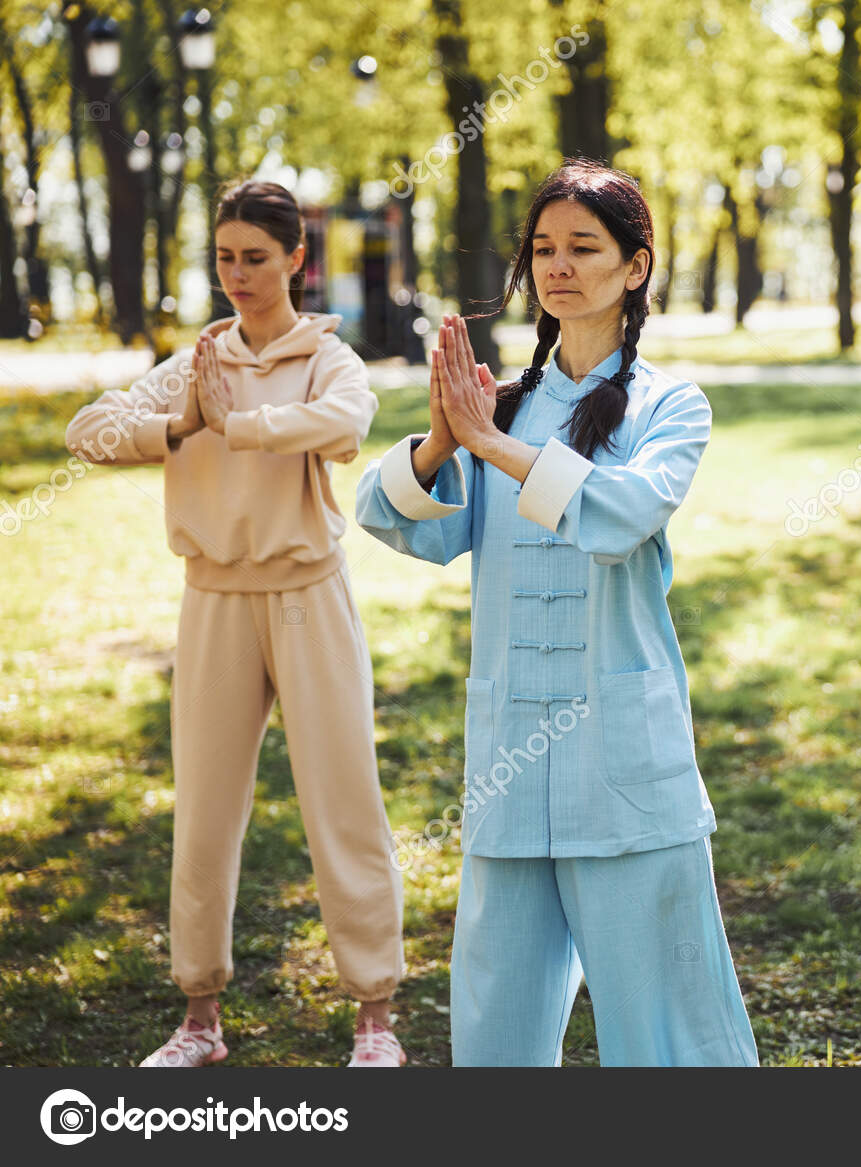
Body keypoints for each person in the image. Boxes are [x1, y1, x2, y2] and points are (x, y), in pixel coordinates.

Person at [355, 159, 758, 1067]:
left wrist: (491, 442)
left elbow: (618, 518)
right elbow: (390, 519)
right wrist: (441, 441)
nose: (558, 266)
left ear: (637, 265)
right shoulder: (503, 405)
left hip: (624, 771)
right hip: (508, 769)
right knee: (493, 1032)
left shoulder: (669, 405)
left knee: (667, 1037)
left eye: (584, 247)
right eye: (543, 248)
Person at [64, 180, 407, 1068]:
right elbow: (86, 430)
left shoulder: (327, 355)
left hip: (307, 597)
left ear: (297, 259)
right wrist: (179, 424)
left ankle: (375, 1018)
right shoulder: (194, 364)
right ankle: (200, 1019)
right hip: (212, 599)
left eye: (256, 258)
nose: (238, 275)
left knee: (344, 799)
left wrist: (242, 425)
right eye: (225, 258)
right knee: (206, 810)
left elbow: (345, 426)